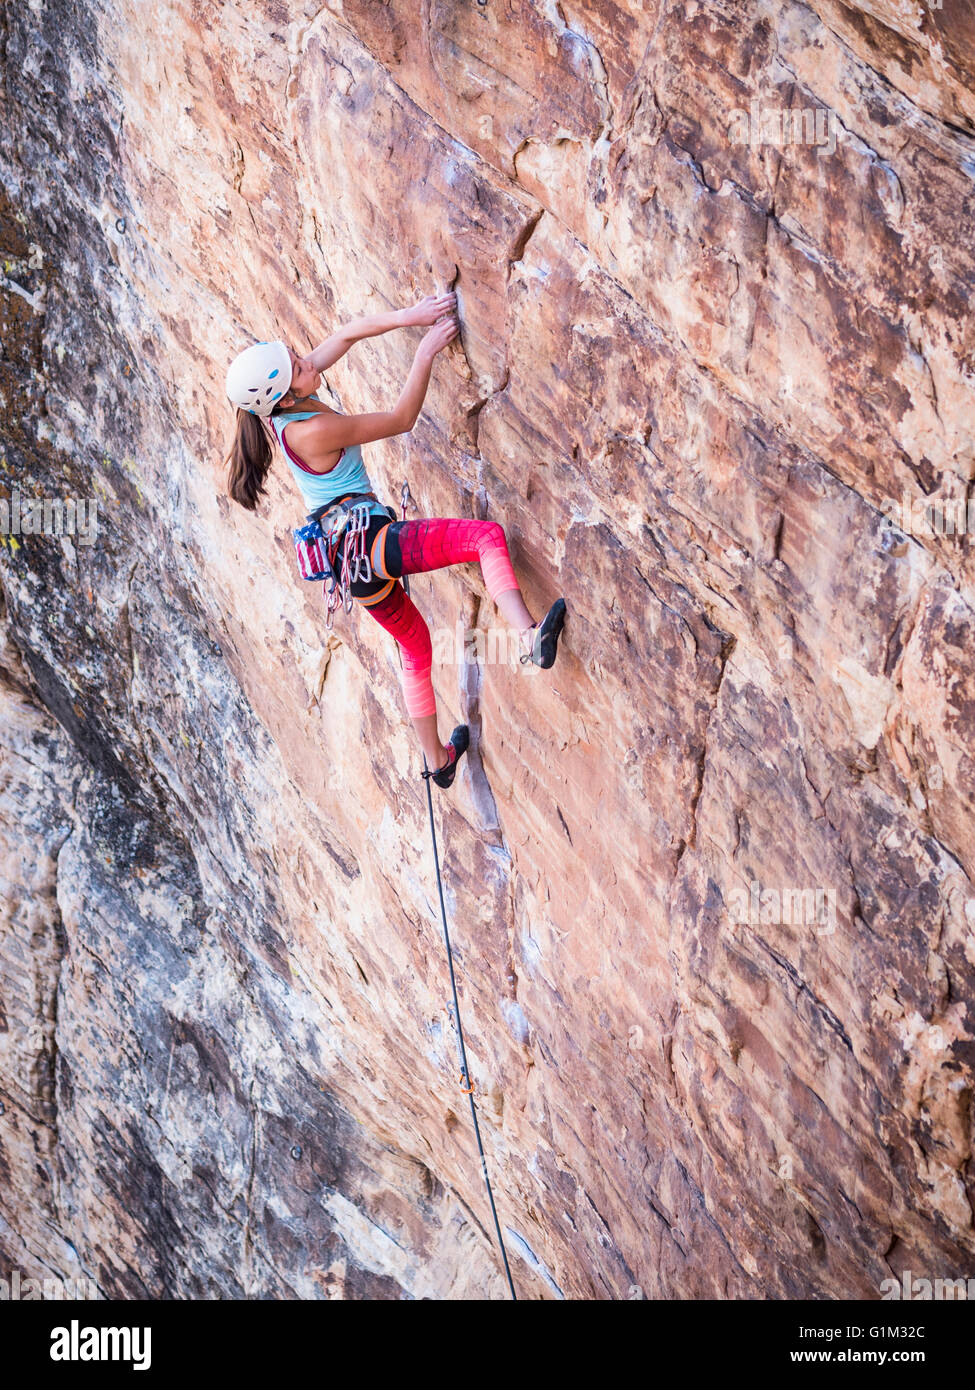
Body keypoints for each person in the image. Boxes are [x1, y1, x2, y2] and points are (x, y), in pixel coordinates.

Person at [223, 293, 566, 789]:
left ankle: (438, 760)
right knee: (485, 538)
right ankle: (528, 640)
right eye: (296, 365)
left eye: (296, 356)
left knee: (415, 643)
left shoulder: (287, 403)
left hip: (352, 565)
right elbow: (402, 418)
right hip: (370, 544)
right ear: (282, 393)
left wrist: (410, 317)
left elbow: (344, 334)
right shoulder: (311, 428)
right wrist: (424, 350)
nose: (306, 359)